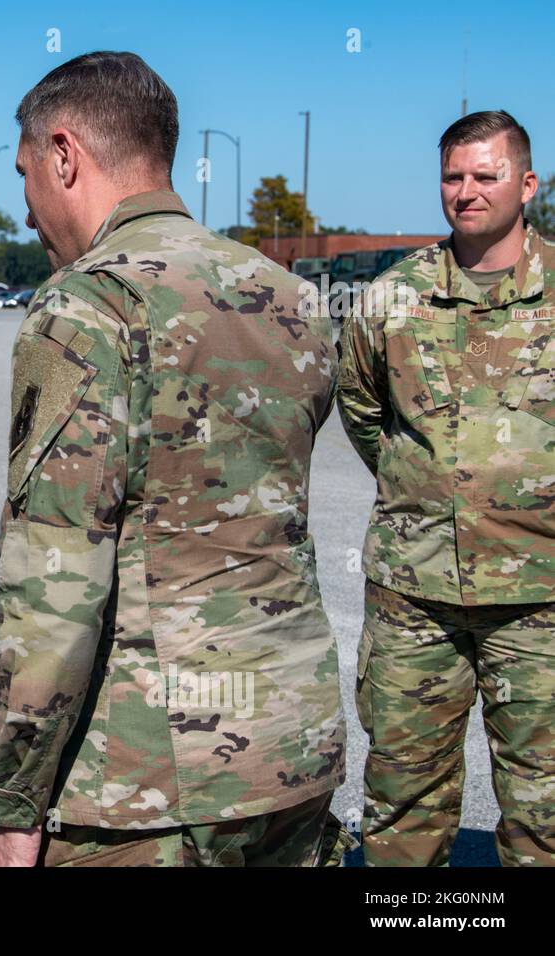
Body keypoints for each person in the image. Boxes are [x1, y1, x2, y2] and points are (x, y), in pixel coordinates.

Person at [0, 51, 348, 867]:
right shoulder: (290, 298)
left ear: (65, 154)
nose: (29, 213)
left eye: (26, 173)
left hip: (148, 787)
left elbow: (57, 583)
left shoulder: (88, 306)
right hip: (291, 750)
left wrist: (14, 805)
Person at [338, 110, 555, 866]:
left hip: (541, 601)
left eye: (485, 175)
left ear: (526, 184)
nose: (466, 192)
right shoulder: (394, 299)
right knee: (402, 799)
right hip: (414, 597)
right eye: (453, 176)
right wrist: (430, 493)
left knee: (546, 805)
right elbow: (363, 410)